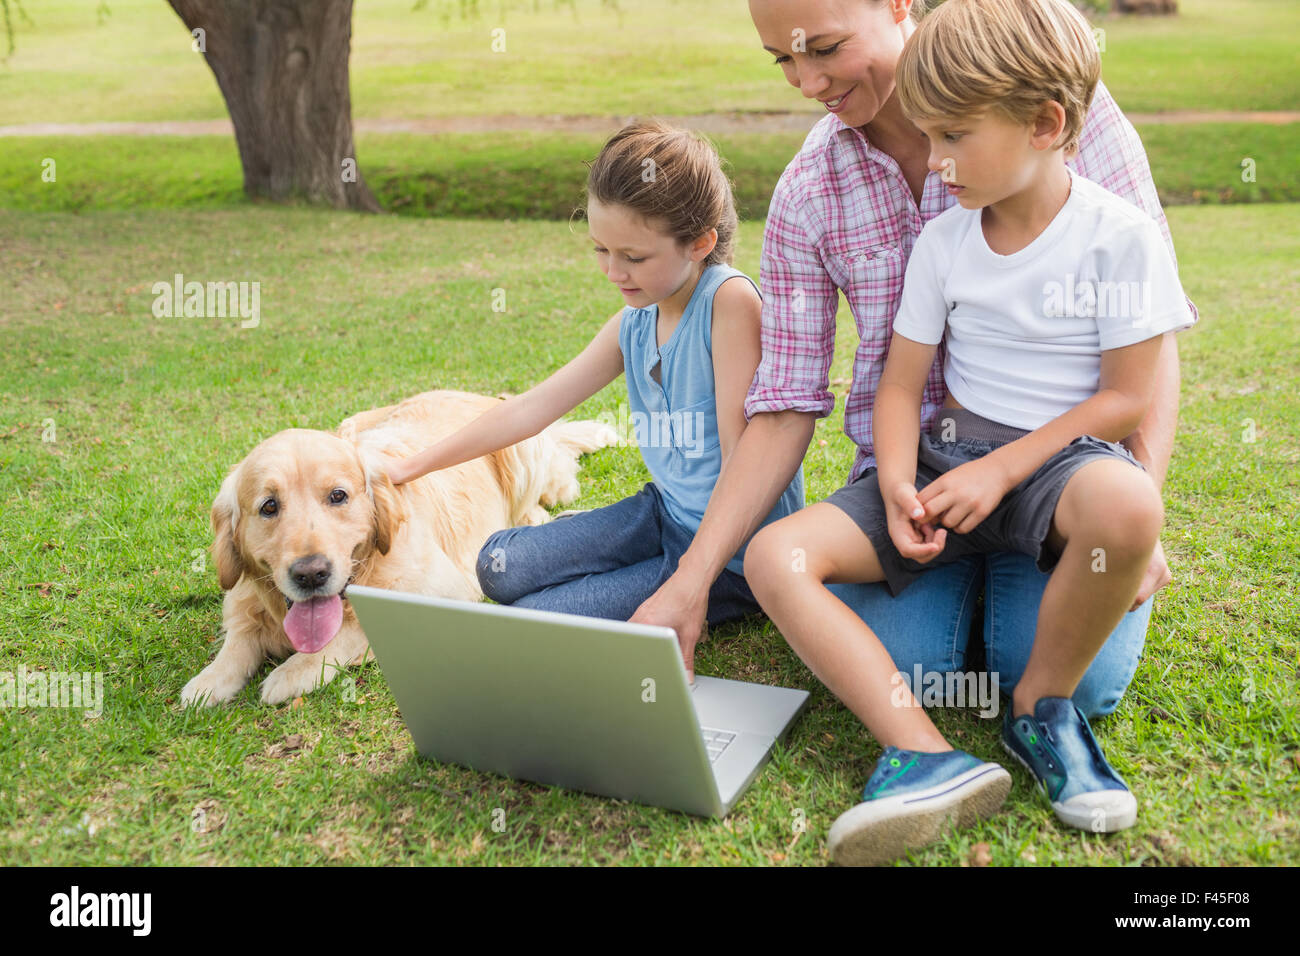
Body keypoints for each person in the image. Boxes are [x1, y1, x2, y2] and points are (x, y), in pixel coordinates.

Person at [624, 0, 1198, 863]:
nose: (808, 80)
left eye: (825, 47)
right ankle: (926, 755)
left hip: (1059, 474)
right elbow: (800, 397)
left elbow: (1139, 370)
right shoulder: (835, 198)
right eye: (781, 60)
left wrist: (1135, 504)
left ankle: (1038, 702)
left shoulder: (1055, 101)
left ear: (898, 6)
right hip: (927, 477)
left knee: (1071, 669)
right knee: (916, 663)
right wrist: (700, 575)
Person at [386, 119, 804, 643]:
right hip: (664, 515)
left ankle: (704, 593)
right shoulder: (635, 321)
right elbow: (532, 408)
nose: (613, 272)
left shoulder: (729, 303)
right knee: (494, 565)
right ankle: (623, 571)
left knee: (532, 622)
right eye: (601, 250)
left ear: (700, 242)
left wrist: (690, 578)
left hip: (731, 555)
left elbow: (744, 460)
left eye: (633, 257)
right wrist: (412, 465)